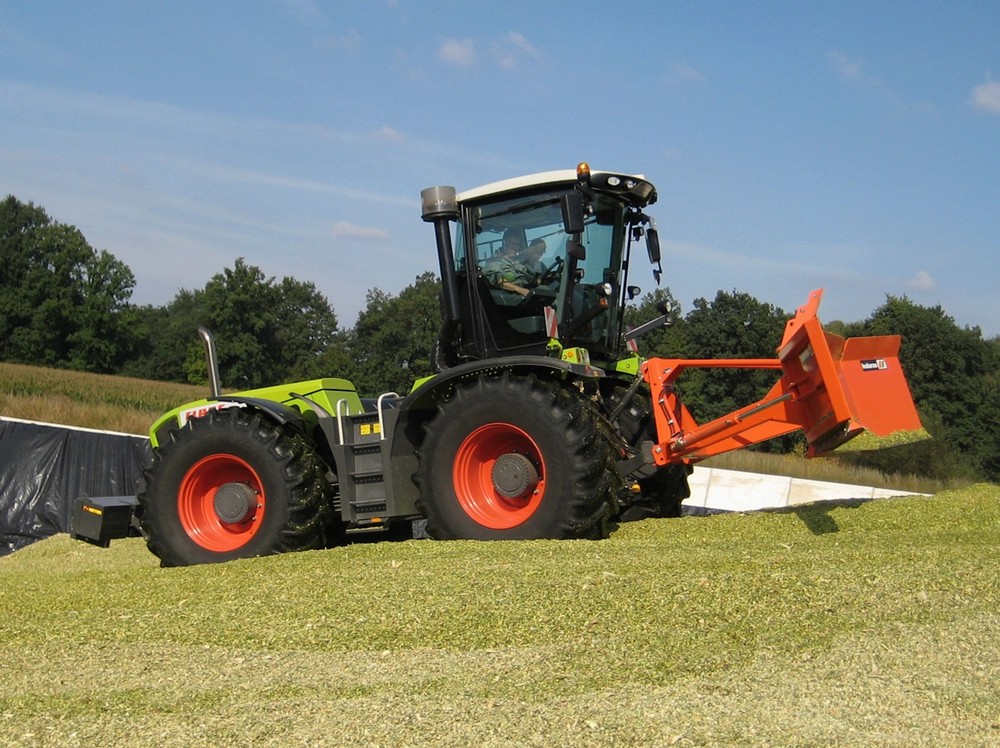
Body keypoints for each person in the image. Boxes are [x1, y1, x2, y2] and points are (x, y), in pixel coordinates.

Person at [482, 232, 546, 299]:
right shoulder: (494, 261)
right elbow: (499, 281)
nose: (514, 247)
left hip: (526, 295)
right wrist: (520, 290)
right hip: (509, 298)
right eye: (512, 244)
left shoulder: (521, 261)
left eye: (517, 244)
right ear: (504, 243)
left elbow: (532, 277)